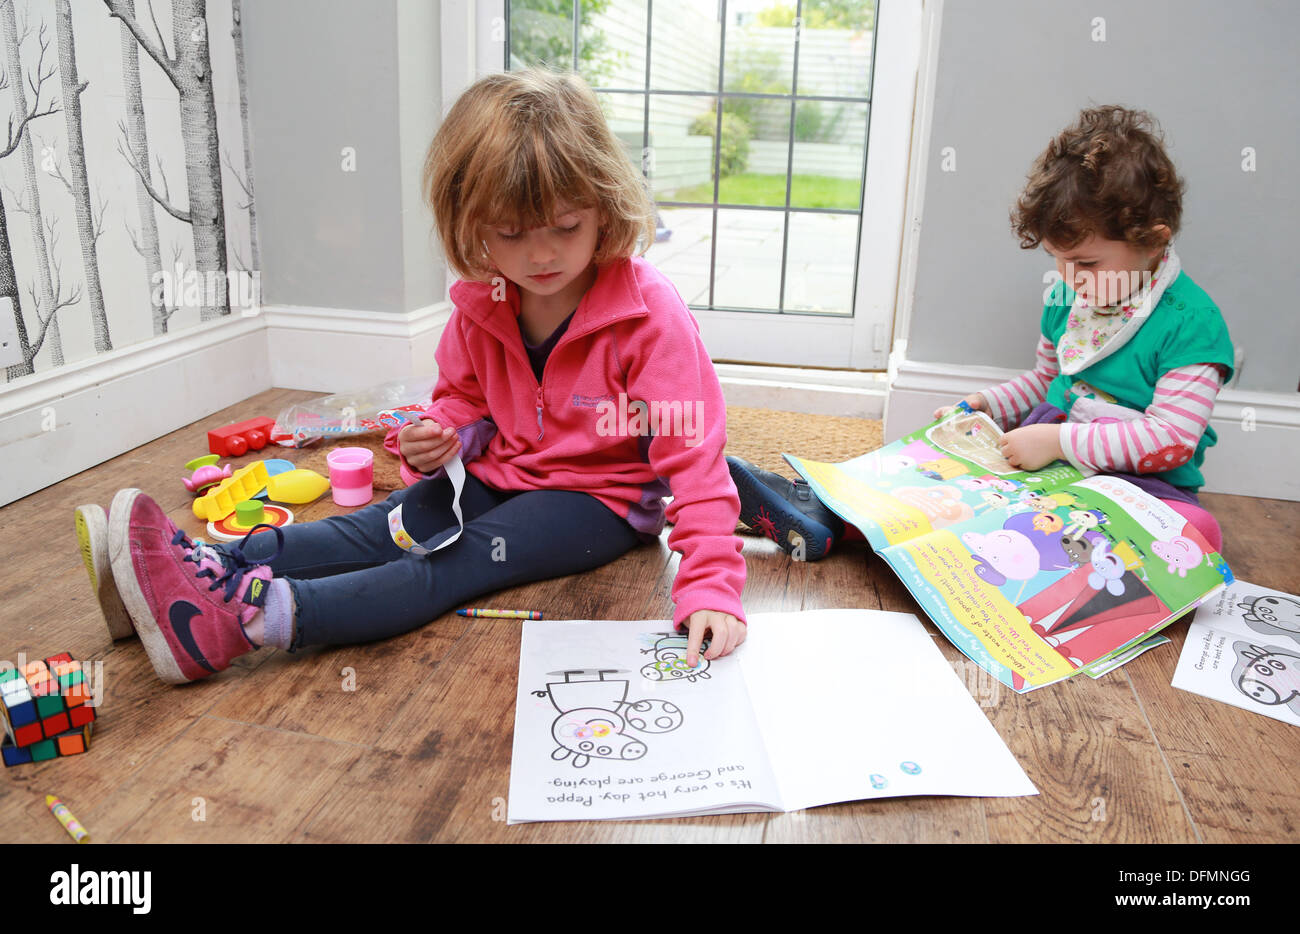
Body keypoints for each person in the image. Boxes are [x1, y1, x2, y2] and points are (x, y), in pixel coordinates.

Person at [78, 68, 747, 685]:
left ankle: (241, 621)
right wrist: (439, 435)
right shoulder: (483, 304)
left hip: (598, 502)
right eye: (510, 235)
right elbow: (462, 402)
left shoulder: (649, 317)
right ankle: (210, 568)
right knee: (381, 524)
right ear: (471, 225)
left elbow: (694, 461)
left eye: (565, 228)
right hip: (500, 474)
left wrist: (711, 585)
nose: (540, 255)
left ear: (604, 205)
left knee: (448, 562)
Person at [729, 105, 1233, 560]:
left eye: (1085, 262)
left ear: (1151, 241)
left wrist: (1059, 441)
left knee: (1196, 533)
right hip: (1046, 455)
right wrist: (987, 406)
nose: (1069, 278)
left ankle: (1043, 552)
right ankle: (827, 513)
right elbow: (1044, 381)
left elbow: (1173, 440)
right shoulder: (1067, 297)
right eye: (1058, 260)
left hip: (1140, 483)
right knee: (951, 486)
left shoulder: (1191, 324)